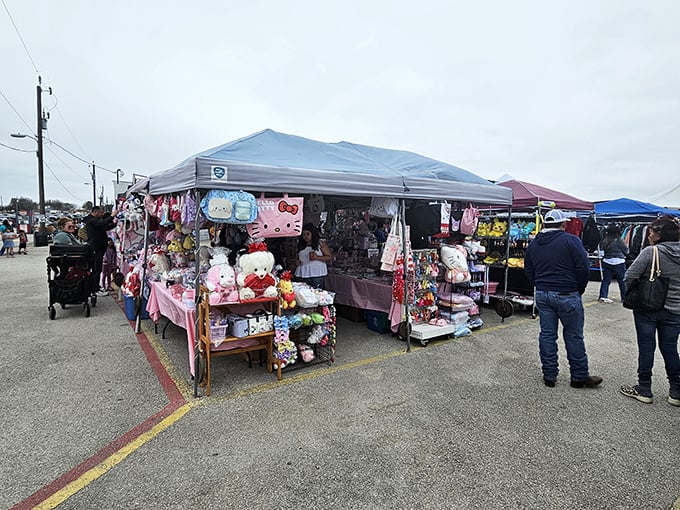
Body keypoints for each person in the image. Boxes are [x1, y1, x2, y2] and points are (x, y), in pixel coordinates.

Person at [524, 209, 602, 389]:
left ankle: (549, 375)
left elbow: (529, 269)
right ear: (563, 224)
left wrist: (539, 282)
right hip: (567, 293)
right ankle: (579, 376)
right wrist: (579, 288)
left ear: (544, 224)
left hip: (543, 293)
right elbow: (583, 268)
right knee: (573, 335)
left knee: (547, 335)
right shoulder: (571, 240)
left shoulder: (534, 244)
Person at [620, 215, 680, 406]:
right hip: (675, 309)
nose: (648, 236)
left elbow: (629, 276)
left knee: (647, 346)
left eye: (652, 232)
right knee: (670, 347)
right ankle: (676, 391)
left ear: (660, 235)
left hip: (648, 307)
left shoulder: (651, 252)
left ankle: (644, 388)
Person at [84, 206, 118, 296]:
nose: (102, 215)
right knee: (97, 269)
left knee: (97, 269)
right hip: (96, 248)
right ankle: (95, 290)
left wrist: (115, 224)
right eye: (101, 213)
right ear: (95, 212)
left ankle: (96, 287)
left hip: (99, 248)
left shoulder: (94, 221)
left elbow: (104, 227)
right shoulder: (91, 221)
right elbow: (102, 224)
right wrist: (112, 216)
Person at [294, 223, 332, 289]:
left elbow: (329, 257)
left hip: (317, 274)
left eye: (308, 234)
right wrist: (297, 261)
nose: (306, 236)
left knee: (317, 295)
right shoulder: (301, 245)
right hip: (303, 273)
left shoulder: (320, 243)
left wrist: (317, 257)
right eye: (304, 234)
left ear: (312, 234)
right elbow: (297, 257)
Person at [598, 225, 629, 303]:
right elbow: (627, 251)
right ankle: (624, 297)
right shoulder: (619, 240)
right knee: (622, 281)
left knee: (606, 280)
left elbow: (601, 251)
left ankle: (603, 296)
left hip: (607, 261)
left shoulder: (605, 240)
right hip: (619, 262)